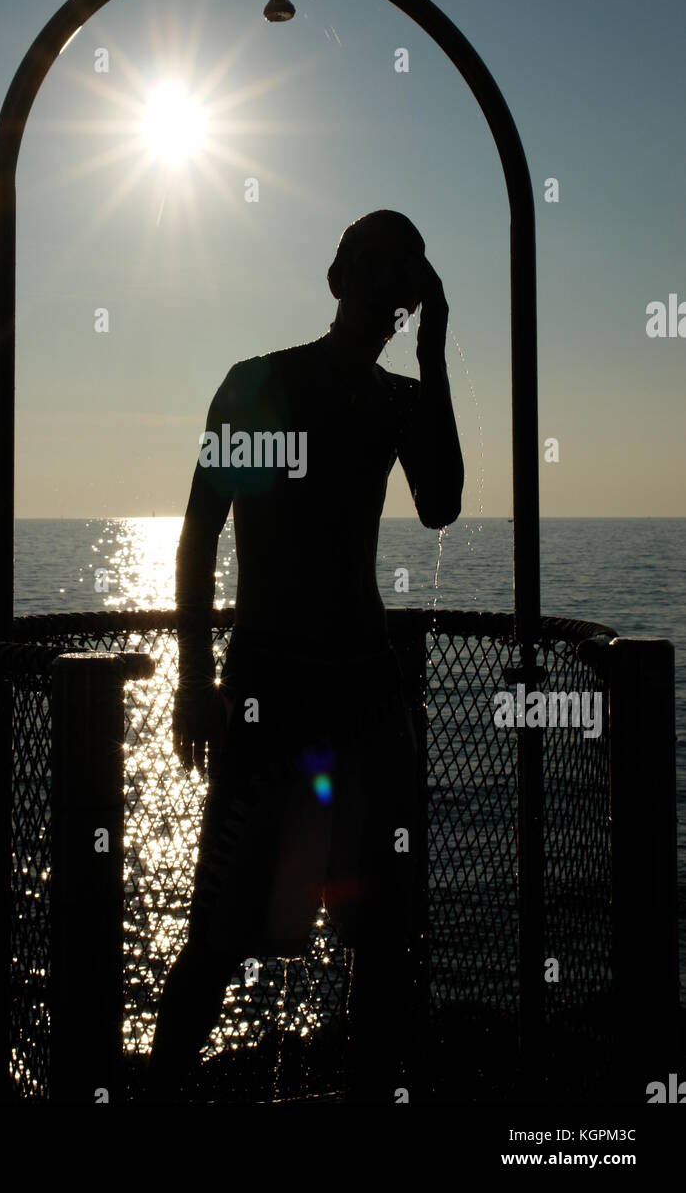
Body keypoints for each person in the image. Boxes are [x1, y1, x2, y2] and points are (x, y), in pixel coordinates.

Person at [145, 209, 464, 1103]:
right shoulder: (259, 384)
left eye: (396, 275)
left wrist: (435, 356)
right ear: (339, 278)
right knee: (219, 932)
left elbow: (440, 502)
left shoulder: (394, 402)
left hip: (362, 697)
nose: (380, 290)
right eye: (372, 267)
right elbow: (201, 532)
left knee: (381, 938)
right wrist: (196, 680)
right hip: (269, 695)